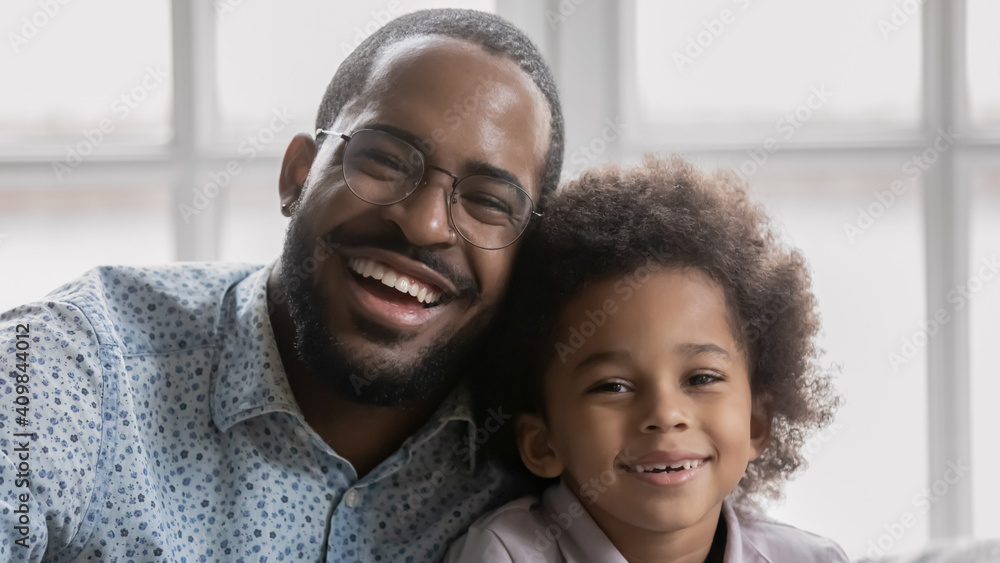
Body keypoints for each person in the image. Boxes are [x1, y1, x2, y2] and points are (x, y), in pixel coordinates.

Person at [0, 9, 563, 562]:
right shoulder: (66, 367)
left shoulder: (556, 437)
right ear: (299, 174)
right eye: (385, 160)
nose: (423, 224)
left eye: (490, 201)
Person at [446, 156, 849, 562]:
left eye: (701, 378)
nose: (665, 413)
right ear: (543, 443)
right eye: (613, 386)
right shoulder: (506, 554)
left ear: (756, 425)